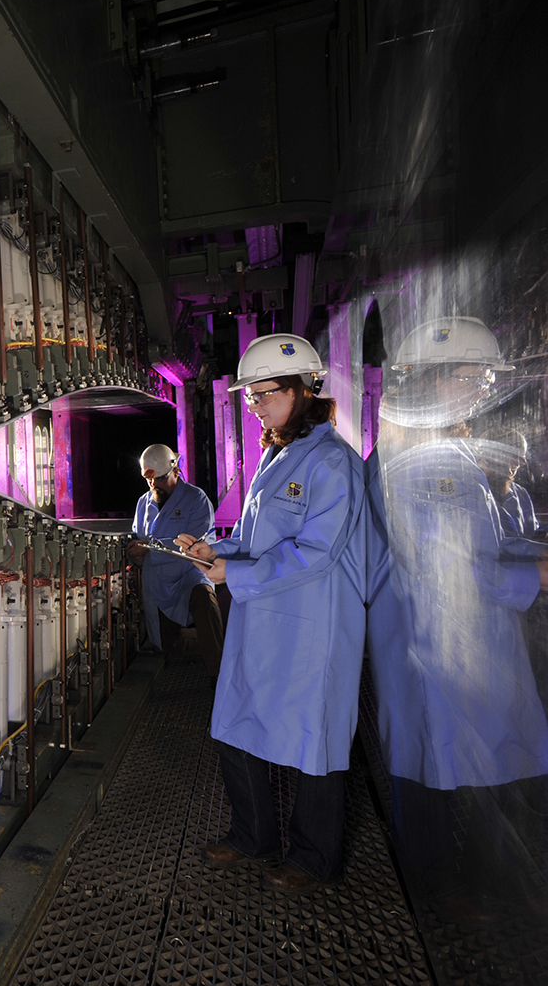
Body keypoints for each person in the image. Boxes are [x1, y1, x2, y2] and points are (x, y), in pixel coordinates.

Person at [365, 316, 548, 923]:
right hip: (437, 645)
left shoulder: (437, 449)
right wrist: (539, 575)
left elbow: (486, 541)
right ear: (440, 381)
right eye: (477, 375)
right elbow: (460, 570)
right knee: (432, 766)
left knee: (435, 762)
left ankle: (453, 884)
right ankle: (440, 893)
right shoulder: (425, 462)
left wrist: (534, 557)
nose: (484, 387)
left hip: (441, 642)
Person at [177, 334, 369, 895]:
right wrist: (219, 550)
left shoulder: (334, 462)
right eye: (252, 395)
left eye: (266, 394)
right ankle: (253, 835)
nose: (255, 404)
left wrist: (233, 574)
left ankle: (315, 859)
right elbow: (263, 540)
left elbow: (316, 551)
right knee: (235, 722)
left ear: (304, 390)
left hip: (312, 627)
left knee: (315, 742)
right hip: (263, 618)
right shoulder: (277, 455)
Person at [126, 444, 224, 681]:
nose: (154, 484)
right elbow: (139, 537)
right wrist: (136, 556)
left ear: (176, 471)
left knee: (204, 600)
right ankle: (198, 648)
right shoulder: (143, 503)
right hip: (157, 579)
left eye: (160, 479)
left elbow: (194, 544)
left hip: (189, 572)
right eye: (149, 480)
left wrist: (149, 550)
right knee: (167, 643)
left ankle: (220, 673)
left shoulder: (195, 499)